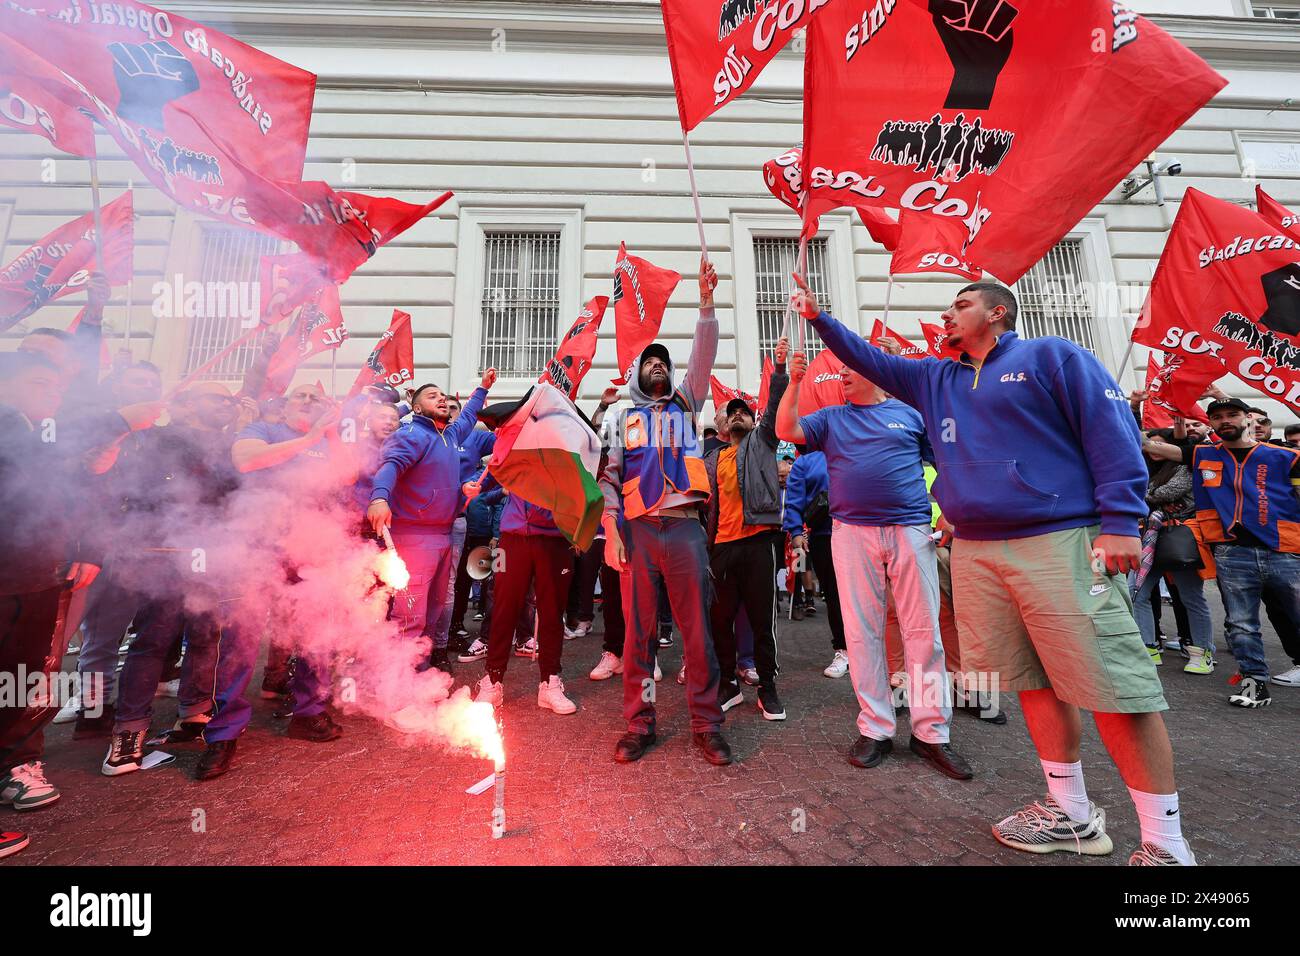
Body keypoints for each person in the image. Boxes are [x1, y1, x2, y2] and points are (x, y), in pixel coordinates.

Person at [791, 275, 1194, 865]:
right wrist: (818, 318)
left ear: (998, 312)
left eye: (962, 303)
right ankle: (1072, 814)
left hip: (1059, 541)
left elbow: (1113, 437)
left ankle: (1165, 844)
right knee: (1030, 681)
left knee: (1112, 686)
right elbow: (868, 356)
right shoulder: (934, 379)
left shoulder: (1052, 357)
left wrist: (1120, 522)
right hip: (977, 550)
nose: (948, 314)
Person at [776, 343, 972, 781]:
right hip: (851, 534)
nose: (840, 375)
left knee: (924, 634)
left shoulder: (913, 414)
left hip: (911, 531)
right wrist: (792, 381)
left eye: (850, 369)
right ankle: (876, 727)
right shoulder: (831, 419)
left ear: (877, 371)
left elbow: (950, 462)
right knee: (862, 632)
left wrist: (952, 514)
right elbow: (786, 428)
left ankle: (931, 734)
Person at [0, 352, 159, 819]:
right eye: (39, 380)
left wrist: (89, 543)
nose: (52, 392)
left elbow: (84, 494)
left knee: (27, 675)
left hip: (41, 574)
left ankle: (16, 763)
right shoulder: (20, 432)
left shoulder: (48, 434)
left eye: (57, 385)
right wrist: (115, 422)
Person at [599, 257, 730, 766]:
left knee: (697, 629)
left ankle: (706, 722)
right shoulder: (619, 417)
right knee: (640, 634)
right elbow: (608, 478)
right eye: (649, 361)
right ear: (635, 373)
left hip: (683, 532)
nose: (659, 365)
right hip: (636, 534)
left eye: (664, 361)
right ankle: (640, 723)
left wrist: (705, 301)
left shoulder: (687, 402)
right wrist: (612, 530)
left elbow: (704, 352)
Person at [198, 384, 352, 781]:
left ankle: (309, 712)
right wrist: (311, 436)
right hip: (259, 548)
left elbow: (348, 474)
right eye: (301, 397)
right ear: (283, 406)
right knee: (242, 640)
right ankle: (223, 733)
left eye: (316, 398)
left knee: (315, 635)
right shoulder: (262, 431)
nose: (309, 402)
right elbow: (245, 461)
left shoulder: (325, 438)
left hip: (311, 549)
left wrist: (330, 431)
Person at [102, 383, 242, 774]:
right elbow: (131, 490)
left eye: (230, 399)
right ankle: (128, 732)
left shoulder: (231, 444)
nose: (228, 404)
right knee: (153, 638)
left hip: (214, 550)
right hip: (162, 550)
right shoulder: (154, 440)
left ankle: (194, 711)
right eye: (218, 398)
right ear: (185, 404)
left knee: (205, 633)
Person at [1148, 397, 1300, 707]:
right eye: (1217, 417)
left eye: (1232, 414)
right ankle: (1254, 683)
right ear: (1211, 423)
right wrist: (1114, 413)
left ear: (1249, 419)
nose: (1225, 420)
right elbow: (1157, 448)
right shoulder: (1202, 455)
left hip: (1284, 551)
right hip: (1233, 553)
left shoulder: (1287, 457)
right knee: (1241, 624)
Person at [367, 371, 496, 672]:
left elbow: (467, 417)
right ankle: (400, 684)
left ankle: (420, 673)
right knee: (410, 613)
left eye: (442, 395)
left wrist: (482, 388)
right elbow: (391, 466)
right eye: (432, 396)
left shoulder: (449, 434)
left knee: (434, 610)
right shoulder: (411, 434)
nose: (440, 399)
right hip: (414, 538)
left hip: (444, 535)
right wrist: (379, 497)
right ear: (416, 407)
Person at [703, 342, 789, 721]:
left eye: (745, 412)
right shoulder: (709, 459)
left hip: (758, 542)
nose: (738, 415)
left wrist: (781, 368)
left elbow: (773, 407)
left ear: (754, 423)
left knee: (761, 620)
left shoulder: (763, 442)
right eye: (731, 412)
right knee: (719, 621)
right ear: (722, 426)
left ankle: (767, 688)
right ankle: (729, 684)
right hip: (720, 548)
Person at [468, 475, 579, 715]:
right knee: (502, 608)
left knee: (552, 612)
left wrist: (581, 526)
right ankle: (493, 680)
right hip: (512, 537)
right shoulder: (513, 441)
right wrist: (487, 489)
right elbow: (485, 482)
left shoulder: (567, 438)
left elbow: (584, 477)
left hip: (556, 537)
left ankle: (550, 681)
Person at [1129, 430, 1216, 676]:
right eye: (1151, 445)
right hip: (1150, 540)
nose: (1154, 449)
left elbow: (1166, 493)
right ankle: (1148, 647)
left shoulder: (1184, 469)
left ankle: (1203, 651)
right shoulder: (1144, 468)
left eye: (1160, 445)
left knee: (1191, 597)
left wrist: (1136, 494)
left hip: (1180, 539)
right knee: (1135, 593)